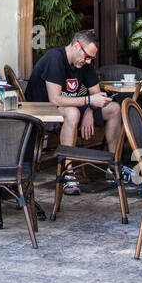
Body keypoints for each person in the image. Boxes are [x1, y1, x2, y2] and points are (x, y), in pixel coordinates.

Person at [25, 30, 118, 195]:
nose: (89, 61)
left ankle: (114, 166)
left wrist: (90, 109)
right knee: (73, 113)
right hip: (43, 109)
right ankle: (68, 173)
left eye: (92, 58)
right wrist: (88, 102)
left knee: (114, 109)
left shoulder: (84, 63)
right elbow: (55, 99)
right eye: (87, 56)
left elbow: (96, 94)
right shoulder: (55, 58)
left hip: (72, 105)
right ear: (76, 46)